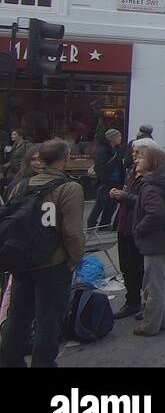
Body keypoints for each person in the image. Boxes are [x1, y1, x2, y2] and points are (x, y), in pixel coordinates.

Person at [0, 140, 84, 367]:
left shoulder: (20, 186)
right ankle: (43, 363)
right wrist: (75, 259)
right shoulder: (69, 188)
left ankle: (10, 361)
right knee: (49, 319)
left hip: (21, 258)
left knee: (18, 315)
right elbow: (73, 232)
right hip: (52, 262)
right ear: (65, 158)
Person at [129, 146, 165, 337]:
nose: (136, 160)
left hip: (156, 241)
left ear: (152, 163)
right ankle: (164, 320)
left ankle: (150, 324)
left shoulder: (151, 187)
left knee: (154, 285)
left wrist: (139, 229)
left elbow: (155, 214)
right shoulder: (162, 182)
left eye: (141, 157)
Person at [108, 138, 159, 320]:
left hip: (138, 228)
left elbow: (148, 204)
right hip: (124, 225)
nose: (135, 157)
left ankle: (144, 304)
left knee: (140, 268)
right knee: (127, 267)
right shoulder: (132, 172)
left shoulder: (152, 178)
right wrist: (118, 196)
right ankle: (132, 301)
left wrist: (125, 196)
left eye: (139, 154)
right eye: (134, 153)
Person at [87, 129, 125, 229]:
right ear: (112, 139)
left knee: (112, 204)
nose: (121, 138)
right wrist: (105, 180)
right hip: (106, 182)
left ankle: (104, 224)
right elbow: (99, 167)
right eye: (119, 136)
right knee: (100, 203)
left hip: (117, 181)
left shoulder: (118, 149)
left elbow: (120, 164)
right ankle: (91, 224)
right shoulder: (103, 151)